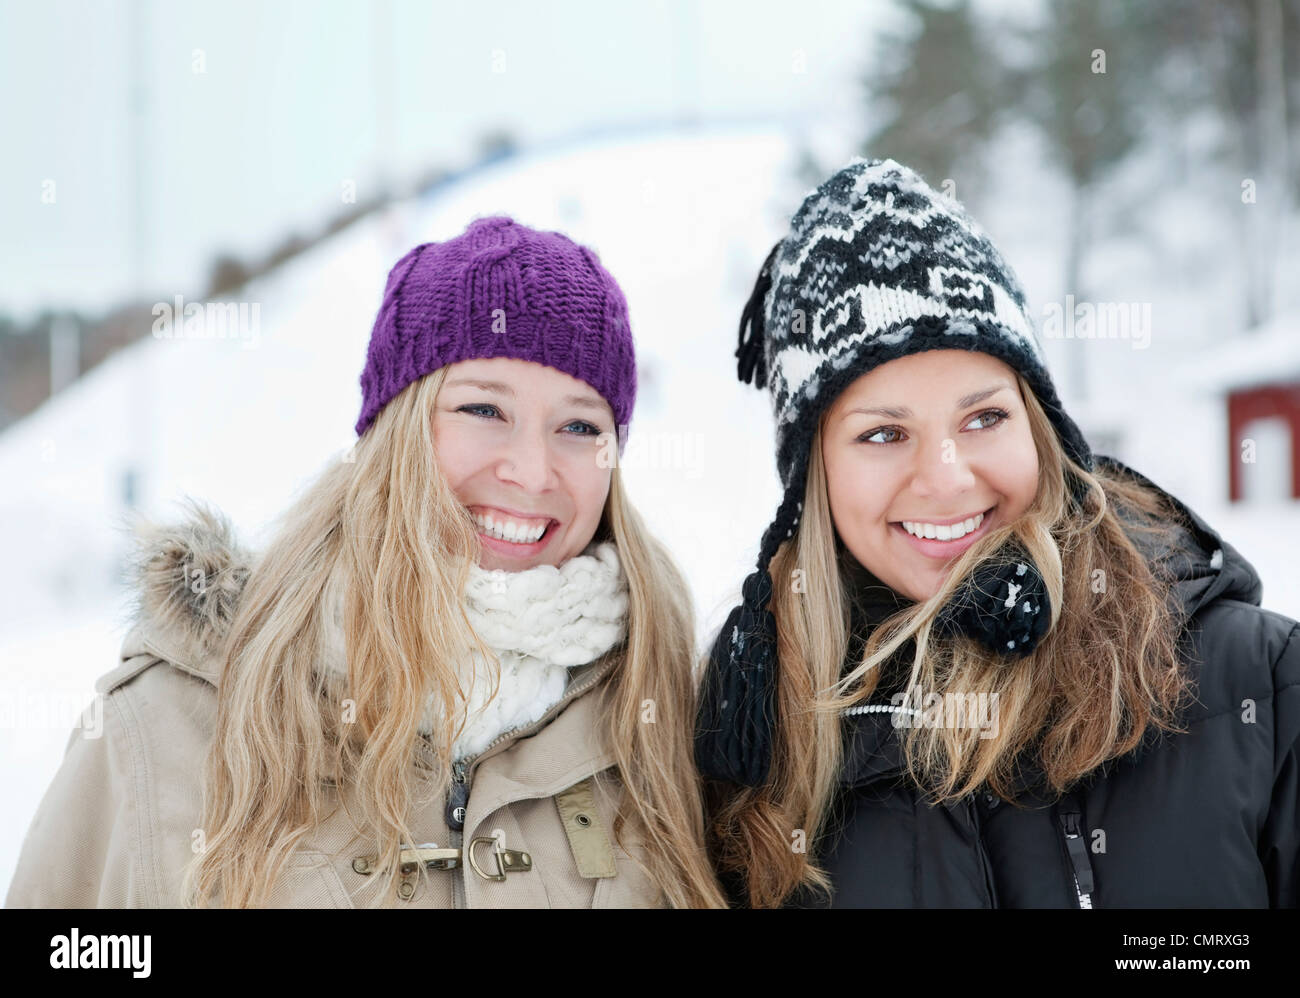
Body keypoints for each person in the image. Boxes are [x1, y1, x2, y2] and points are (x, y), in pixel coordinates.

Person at [7, 215, 725, 909]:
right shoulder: (169, 722)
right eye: (483, 410)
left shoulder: (667, 729)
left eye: (578, 426)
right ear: (396, 432)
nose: (533, 471)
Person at [695, 159, 1300, 908]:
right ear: (810, 479)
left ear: (1042, 428)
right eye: (884, 434)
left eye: (983, 418)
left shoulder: (1262, 686)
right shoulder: (748, 749)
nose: (946, 478)